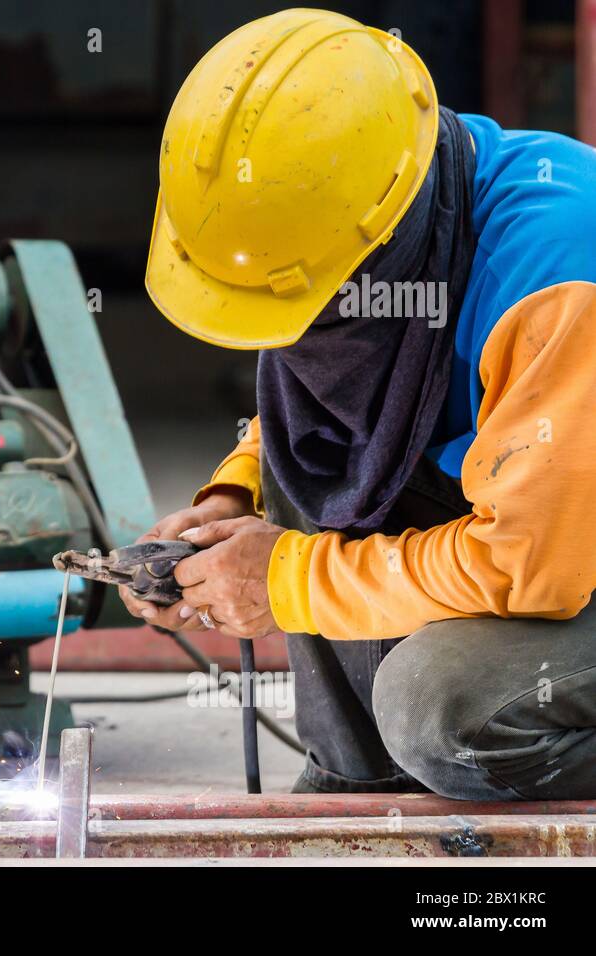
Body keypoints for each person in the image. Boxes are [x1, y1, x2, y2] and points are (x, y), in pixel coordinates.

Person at [124, 8, 596, 799]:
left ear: (383, 244)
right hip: (558, 529)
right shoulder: (404, 214)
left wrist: (283, 582)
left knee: (443, 706)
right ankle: (360, 791)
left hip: (564, 551)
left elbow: (533, 565)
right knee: (311, 477)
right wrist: (232, 498)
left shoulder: (557, 271)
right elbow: (329, 422)